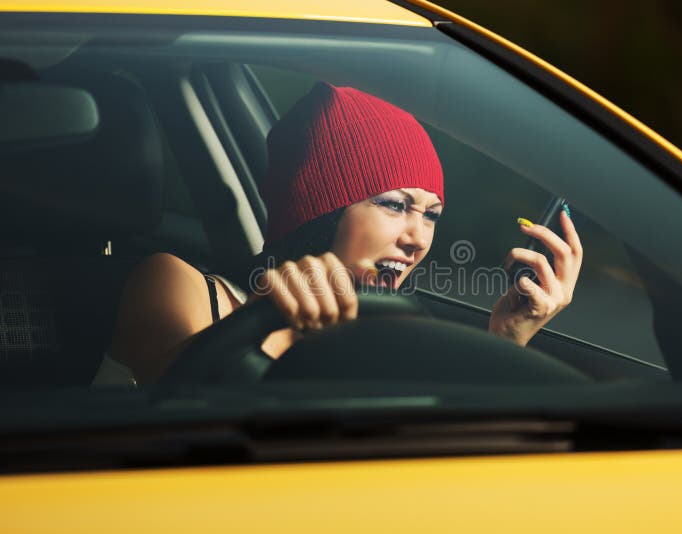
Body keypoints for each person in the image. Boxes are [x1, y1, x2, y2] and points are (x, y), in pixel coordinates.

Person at [94, 82, 582, 386]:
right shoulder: (177, 285)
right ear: (319, 210)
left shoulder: (386, 333)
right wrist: (276, 315)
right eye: (394, 205)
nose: (418, 238)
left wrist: (508, 336)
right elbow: (186, 414)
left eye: (431, 214)